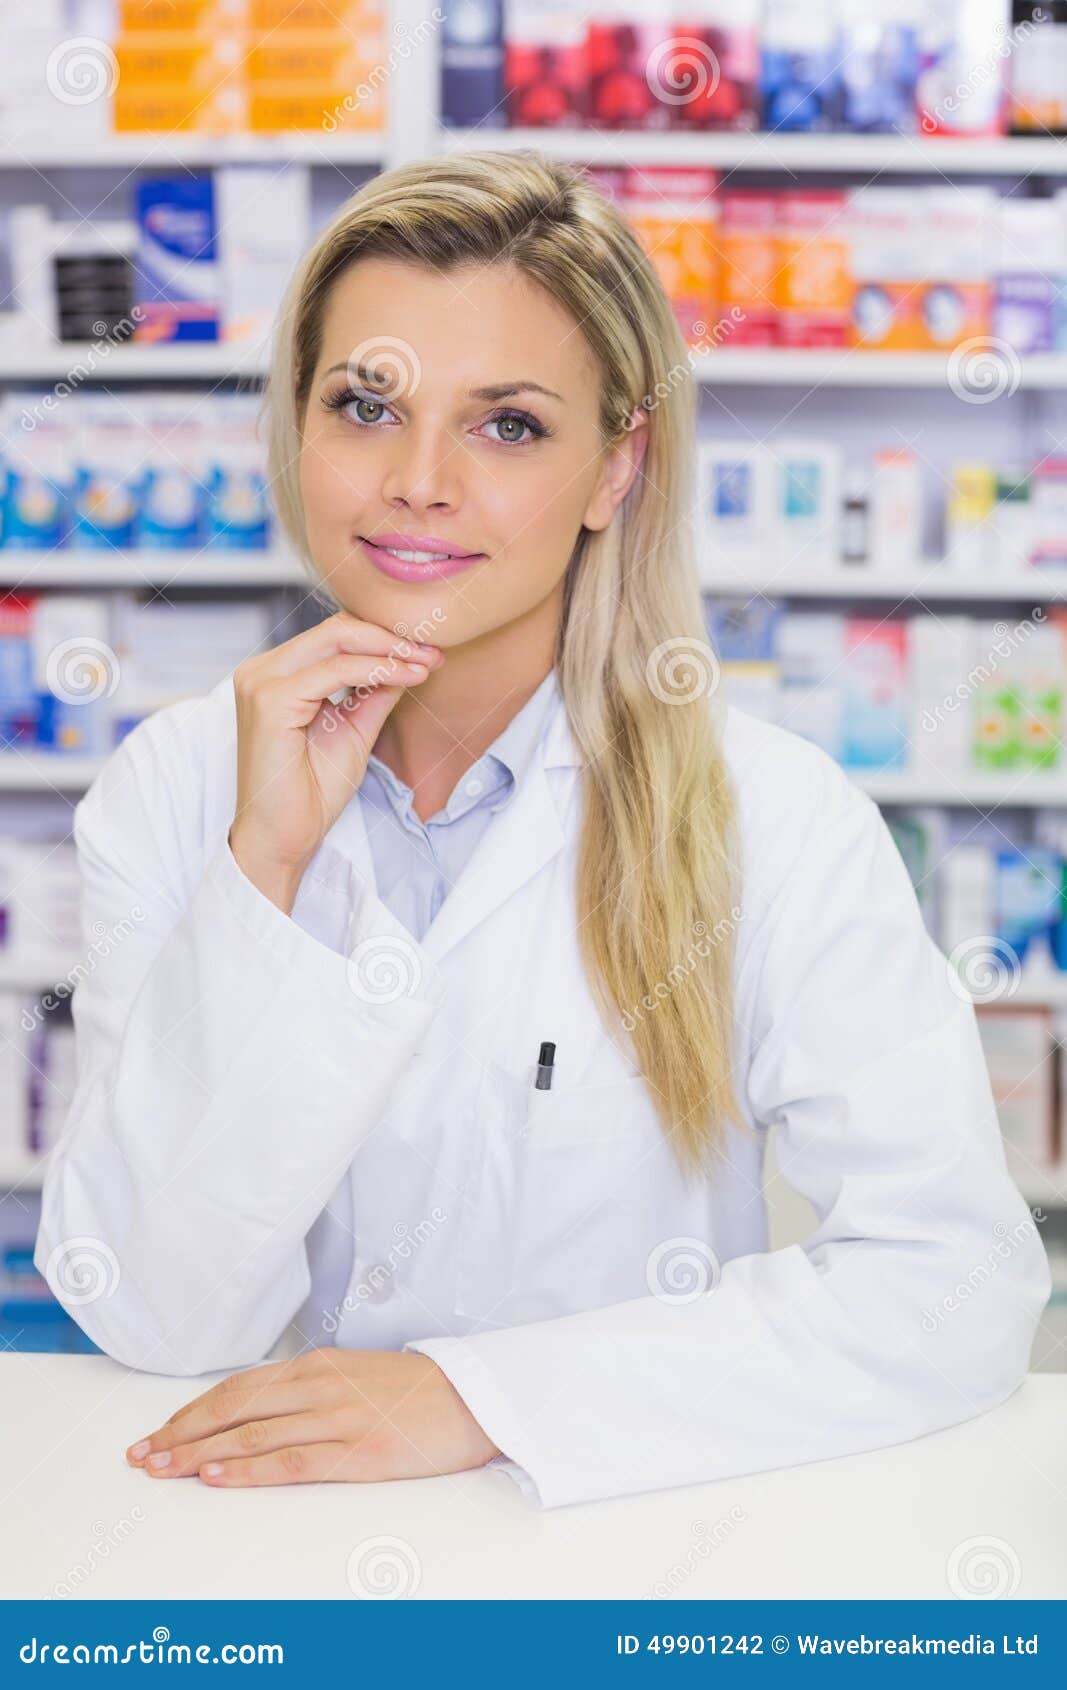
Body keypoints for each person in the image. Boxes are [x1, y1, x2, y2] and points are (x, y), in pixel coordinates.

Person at [35, 150, 1050, 1509]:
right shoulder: (175, 789)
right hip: (265, 1546)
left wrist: (477, 1394)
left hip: (622, 1541)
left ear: (614, 466)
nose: (419, 481)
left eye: (506, 423)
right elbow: (147, 1312)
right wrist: (258, 870)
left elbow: (959, 1280)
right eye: (365, 405)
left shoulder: (773, 818)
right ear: (295, 425)